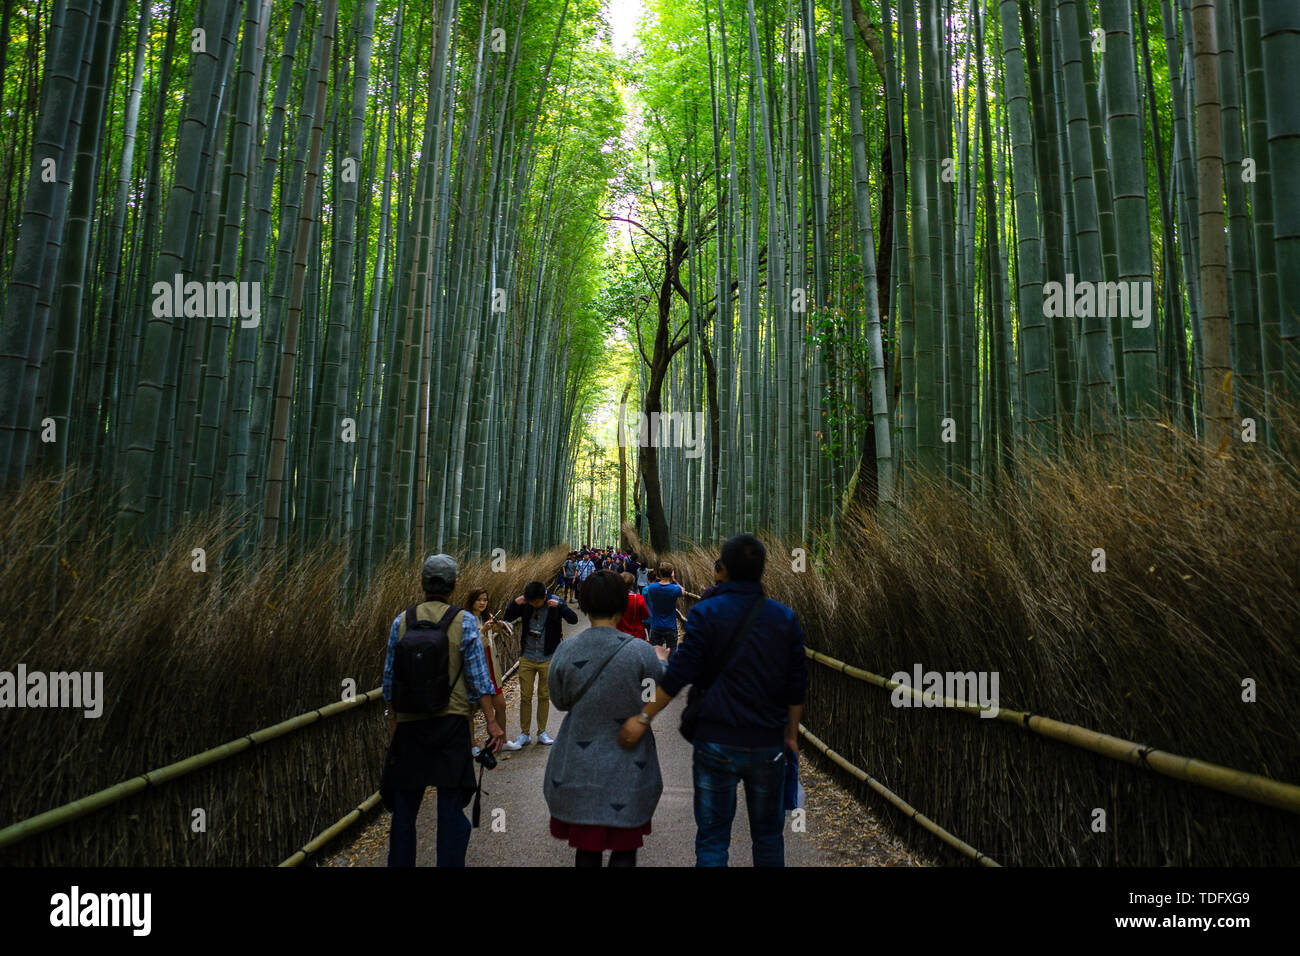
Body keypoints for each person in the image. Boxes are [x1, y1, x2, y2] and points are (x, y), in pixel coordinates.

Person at [617, 534, 808, 867]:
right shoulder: (784, 618)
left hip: (715, 741)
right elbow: (796, 685)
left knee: (713, 839)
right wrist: (790, 734)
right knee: (768, 837)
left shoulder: (706, 613)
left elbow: (677, 676)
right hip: (767, 742)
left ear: (722, 569)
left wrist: (643, 717)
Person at [381, 554, 505, 867]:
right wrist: (492, 722)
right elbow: (479, 680)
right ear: (454, 584)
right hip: (450, 725)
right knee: (450, 809)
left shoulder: (402, 620)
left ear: (422, 583)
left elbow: (388, 684)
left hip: (410, 726)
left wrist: (394, 725)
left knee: (405, 810)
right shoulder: (463, 621)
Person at [545, 570, 670, 867]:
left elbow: (560, 701)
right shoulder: (641, 652)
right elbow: (653, 697)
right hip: (630, 765)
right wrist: (661, 663)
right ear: (623, 605)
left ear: (585, 604)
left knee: (587, 848)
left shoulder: (566, 650)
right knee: (625, 846)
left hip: (579, 764)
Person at [502, 580, 578, 747]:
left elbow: (574, 620)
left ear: (544, 596)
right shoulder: (525, 604)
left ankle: (542, 732)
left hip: (548, 656)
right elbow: (506, 618)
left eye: (536, 602)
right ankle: (524, 734)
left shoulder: (555, 602)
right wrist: (514, 603)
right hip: (527, 656)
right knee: (525, 696)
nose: (534, 605)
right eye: (531, 602)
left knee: (544, 695)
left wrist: (560, 607)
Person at [464, 588, 522, 753]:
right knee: (472, 709)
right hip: (476, 671)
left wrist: (500, 624)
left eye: (485, 600)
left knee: (501, 705)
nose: (482, 603)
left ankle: (501, 741)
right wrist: (483, 631)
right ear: (471, 602)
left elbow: (506, 631)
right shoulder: (466, 620)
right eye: (479, 600)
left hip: (491, 667)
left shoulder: (486, 617)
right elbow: (471, 645)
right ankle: (473, 744)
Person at [642, 562, 683, 650]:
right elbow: (682, 590)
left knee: (656, 654)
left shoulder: (652, 587)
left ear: (659, 573)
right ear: (671, 573)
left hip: (656, 625)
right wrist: (674, 579)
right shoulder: (675, 589)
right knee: (671, 653)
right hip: (670, 626)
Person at [616, 572, 650, 641]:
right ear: (632, 585)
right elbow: (646, 616)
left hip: (619, 635)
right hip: (636, 635)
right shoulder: (638, 599)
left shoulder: (614, 598)